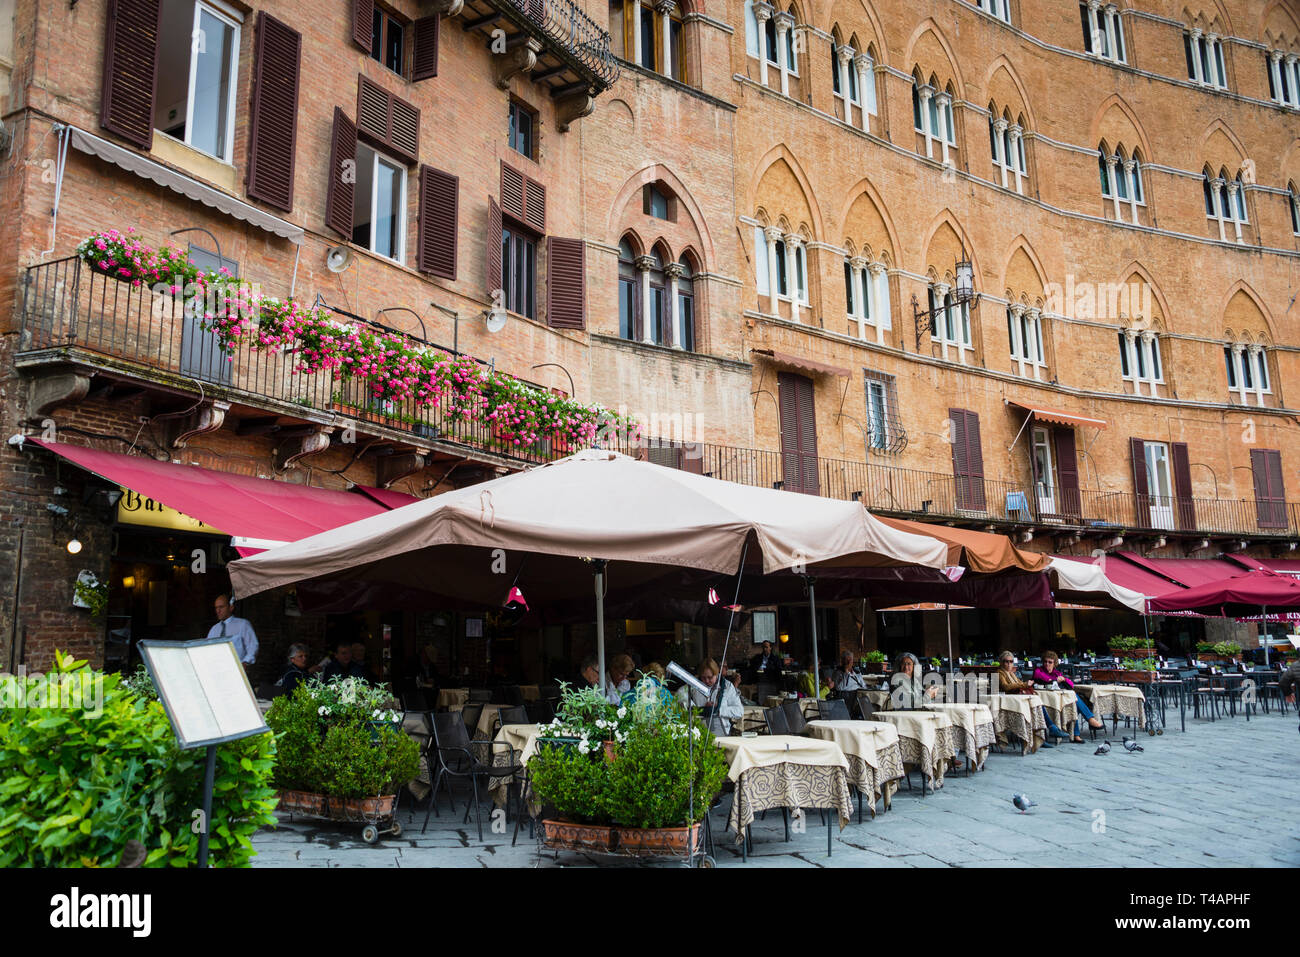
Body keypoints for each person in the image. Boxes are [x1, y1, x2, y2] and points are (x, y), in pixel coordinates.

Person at [1033, 650, 1105, 743]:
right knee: (1073, 699)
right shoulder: (1038, 670)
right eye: (1045, 662)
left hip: (1059, 699)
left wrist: (1063, 679)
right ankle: (1083, 727)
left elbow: (1071, 685)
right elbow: (1044, 678)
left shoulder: (1056, 672)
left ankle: (1078, 732)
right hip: (1046, 701)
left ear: (1054, 663)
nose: (1047, 664)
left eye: (1050, 662)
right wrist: (1055, 680)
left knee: (1073, 700)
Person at [675, 657, 743, 736]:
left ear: (717, 674)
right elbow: (679, 694)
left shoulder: (727, 686)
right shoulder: (695, 685)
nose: (706, 681)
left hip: (723, 733)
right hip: (699, 731)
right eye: (703, 677)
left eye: (710, 677)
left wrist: (718, 709)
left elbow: (739, 711)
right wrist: (697, 708)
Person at [208, 594, 258, 667]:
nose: (218, 611)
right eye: (216, 608)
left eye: (221, 607)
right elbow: (208, 650)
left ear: (231, 607)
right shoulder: (214, 629)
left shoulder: (243, 625)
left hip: (237, 669)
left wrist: (245, 662)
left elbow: (253, 645)